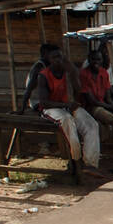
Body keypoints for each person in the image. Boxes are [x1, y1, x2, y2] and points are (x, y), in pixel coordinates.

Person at [33, 47, 106, 179]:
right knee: (68, 121)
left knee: (92, 124)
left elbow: (79, 90)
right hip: (52, 109)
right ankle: (76, 160)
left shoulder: (68, 73)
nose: (58, 60)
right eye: (54, 58)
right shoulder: (44, 76)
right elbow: (44, 102)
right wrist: (65, 105)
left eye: (60, 57)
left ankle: (90, 164)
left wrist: (73, 72)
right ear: (49, 60)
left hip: (68, 106)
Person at [19, 42, 56, 113]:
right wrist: (22, 110)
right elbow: (28, 90)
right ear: (46, 54)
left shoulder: (47, 66)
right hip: (37, 103)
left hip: (45, 101)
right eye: (53, 55)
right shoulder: (39, 67)